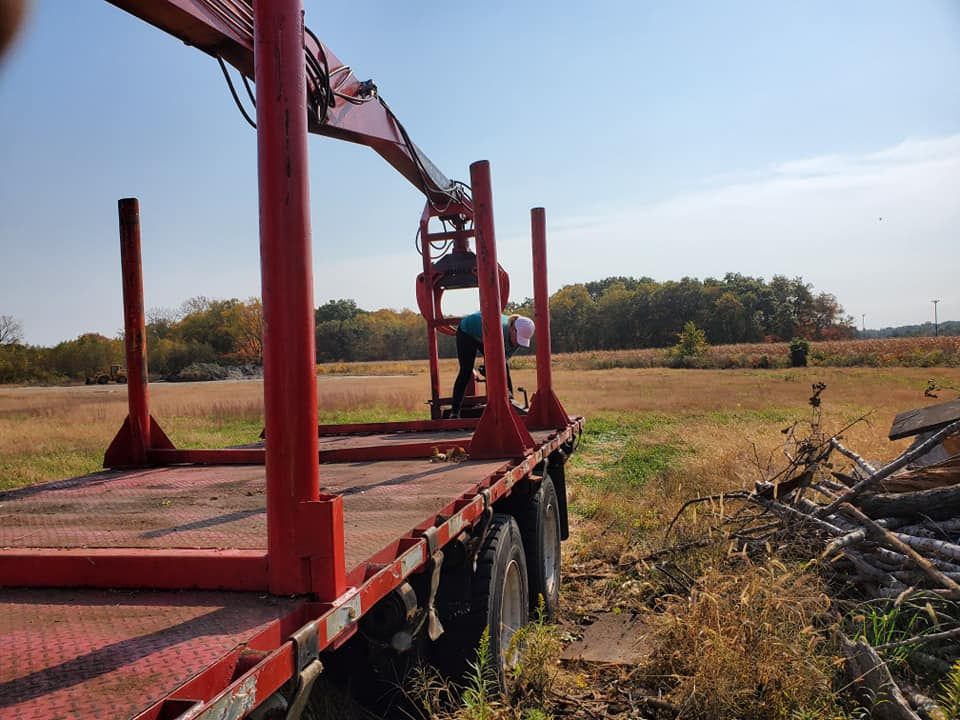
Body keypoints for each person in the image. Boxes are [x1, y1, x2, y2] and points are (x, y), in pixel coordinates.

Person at [450, 311, 535, 417]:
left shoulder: (517, 337)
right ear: (513, 329)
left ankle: (510, 403)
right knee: (466, 371)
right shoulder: (498, 331)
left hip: (484, 330)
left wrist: (507, 391)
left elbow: (502, 364)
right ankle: (454, 412)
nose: (518, 343)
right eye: (518, 338)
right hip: (468, 331)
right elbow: (495, 364)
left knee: (504, 367)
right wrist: (489, 371)